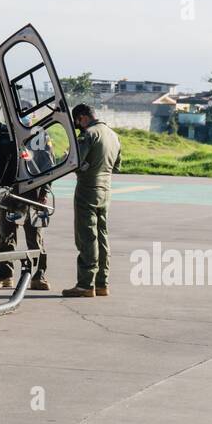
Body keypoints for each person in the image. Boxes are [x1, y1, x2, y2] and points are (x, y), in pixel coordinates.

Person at [63, 103, 121, 299]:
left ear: (82, 118)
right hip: (106, 190)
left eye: (78, 122)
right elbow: (117, 166)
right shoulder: (113, 135)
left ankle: (86, 284)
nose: (79, 126)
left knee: (87, 236)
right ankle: (102, 283)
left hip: (87, 190)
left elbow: (75, 162)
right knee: (102, 236)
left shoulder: (89, 134)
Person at [0, 182, 50, 293]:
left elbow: (48, 169)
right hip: (9, 196)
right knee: (6, 238)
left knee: (36, 241)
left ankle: (38, 275)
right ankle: (4, 275)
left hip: (35, 197)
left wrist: (44, 192)